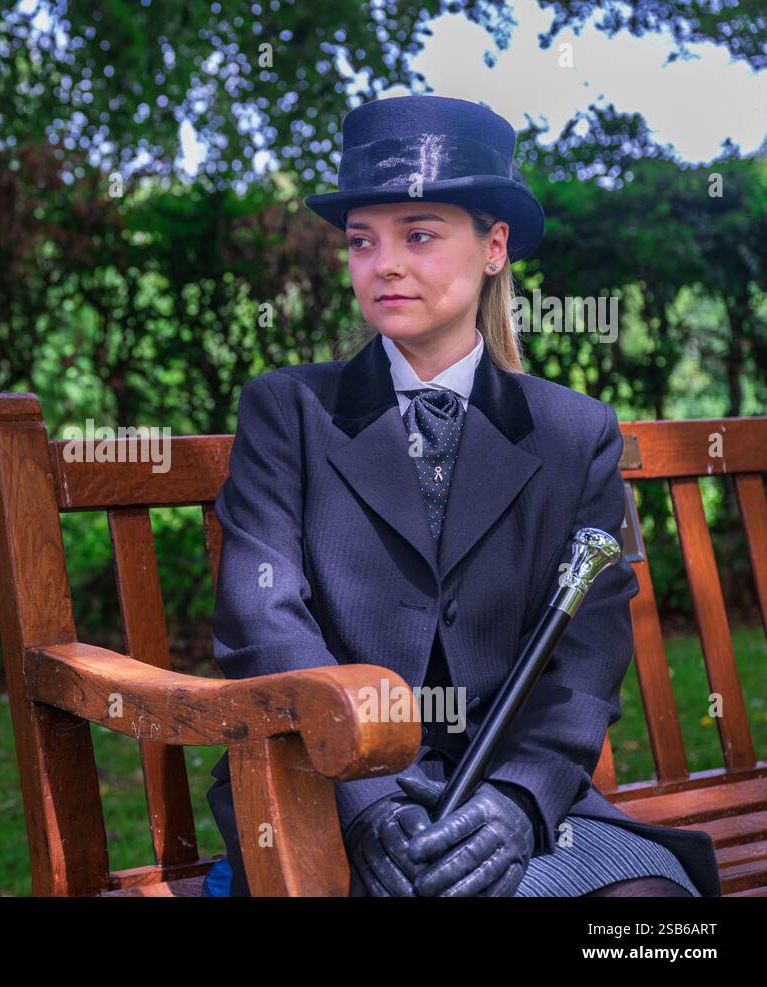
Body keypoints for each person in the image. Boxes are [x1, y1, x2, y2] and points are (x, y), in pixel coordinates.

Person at [201, 94, 721, 898]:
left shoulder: (574, 432)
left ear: (494, 247)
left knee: (652, 921)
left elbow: (587, 656)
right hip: (329, 792)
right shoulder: (287, 412)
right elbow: (261, 622)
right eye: (361, 241)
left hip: (514, 793)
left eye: (418, 235)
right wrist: (367, 804)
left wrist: (517, 802)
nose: (385, 265)